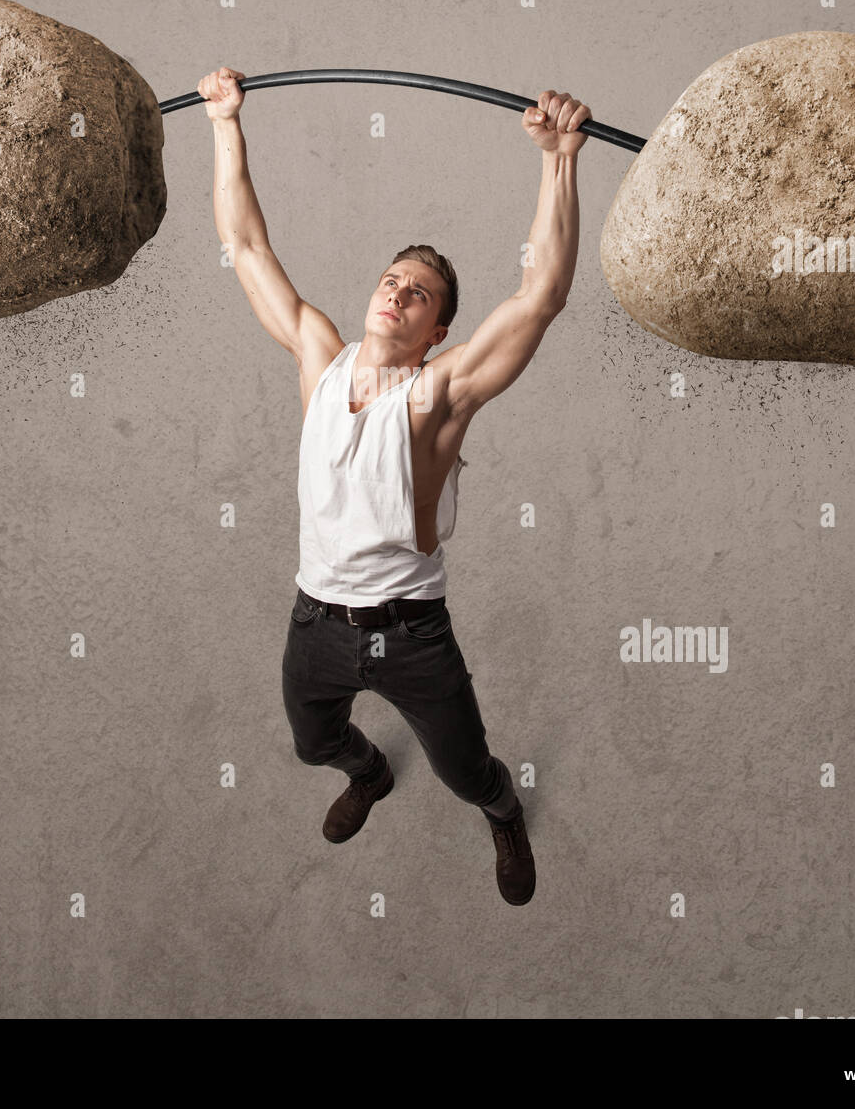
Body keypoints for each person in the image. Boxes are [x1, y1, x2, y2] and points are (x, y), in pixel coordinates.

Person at [200, 65, 589, 905]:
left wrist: (559, 161)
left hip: (412, 635)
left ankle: (504, 809)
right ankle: (368, 772)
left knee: (465, 768)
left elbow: (541, 295)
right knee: (313, 745)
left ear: (435, 329)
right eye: (392, 278)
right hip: (314, 619)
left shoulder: (436, 397)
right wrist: (227, 123)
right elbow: (246, 247)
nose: (399, 291)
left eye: (420, 294)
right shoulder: (317, 355)